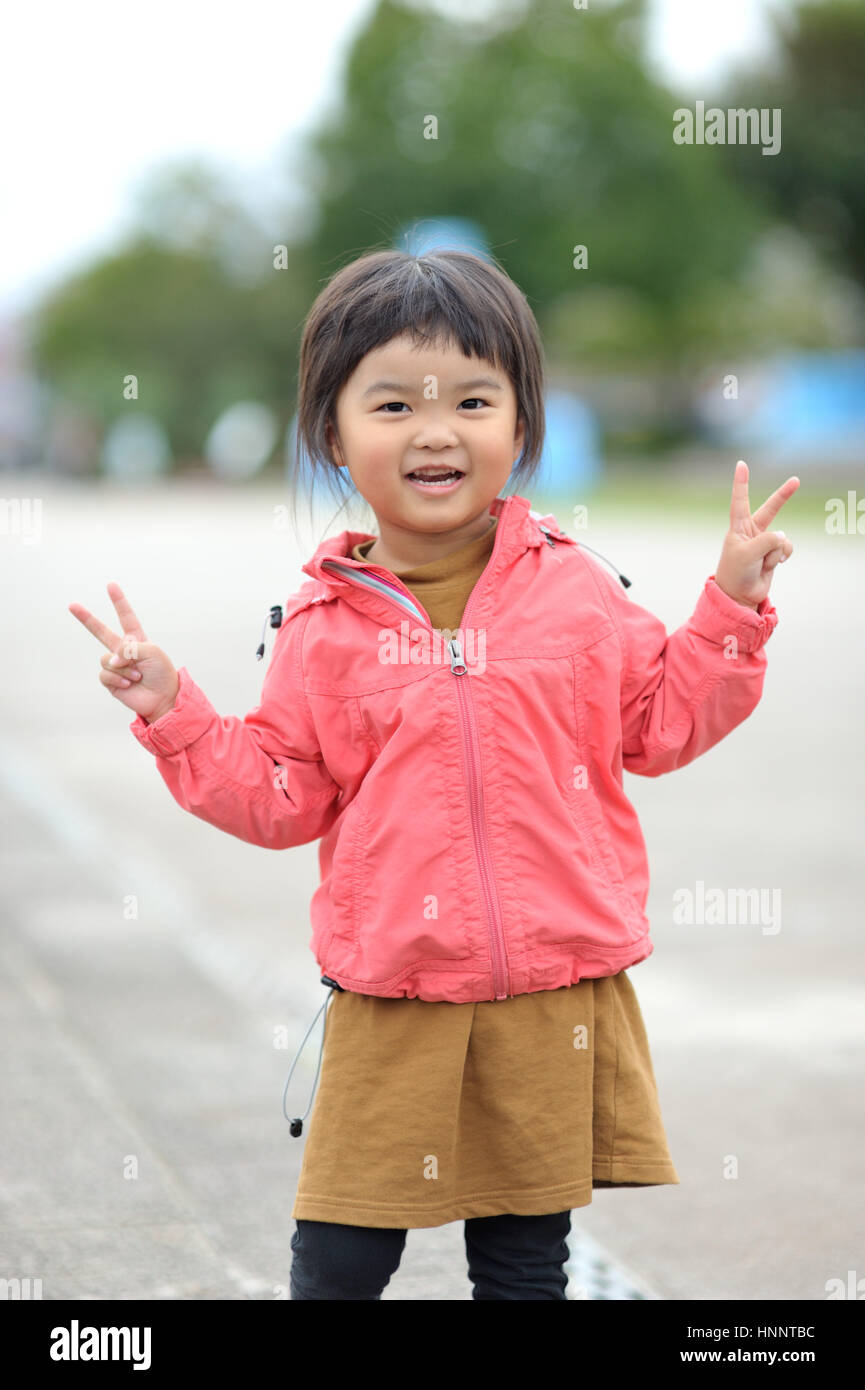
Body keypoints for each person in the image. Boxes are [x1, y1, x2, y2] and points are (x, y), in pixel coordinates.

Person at [68, 248, 799, 1301]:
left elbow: (661, 722)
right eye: (393, 403)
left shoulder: (578, 593)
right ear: (332, 433)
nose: (435, 429)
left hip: (549, 997)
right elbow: (281, 794)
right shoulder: (323, 629)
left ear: (520, 424)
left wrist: (728, 609)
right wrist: (176, 713)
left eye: (471, 398)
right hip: (393, 996)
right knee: (340, 1255)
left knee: (522, 1263)